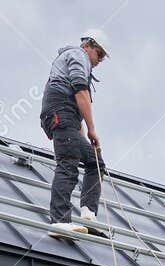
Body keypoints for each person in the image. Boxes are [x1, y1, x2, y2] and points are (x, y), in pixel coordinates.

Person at [40, 30, 112, 237]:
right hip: (60, 113)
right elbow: (81, 92)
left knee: (95, 161)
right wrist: (92, 130)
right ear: (88, 45)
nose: (100, 60)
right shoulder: (78, 56)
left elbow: (76, 106)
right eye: (99, 54)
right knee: (68, 163)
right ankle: (59, 221)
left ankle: (88, 214)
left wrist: (83, 134)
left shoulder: (78, 60)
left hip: (66, 117)